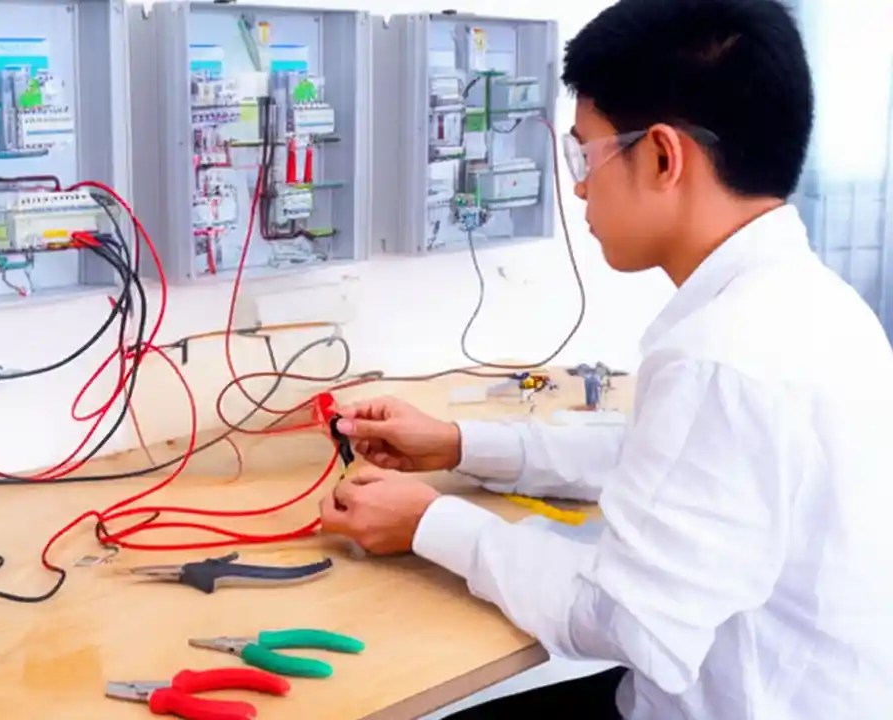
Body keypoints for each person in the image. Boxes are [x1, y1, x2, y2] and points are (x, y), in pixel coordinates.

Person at [319, 0, 893, 718]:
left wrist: (432, 525)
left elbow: (625, 622)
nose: (582, 185)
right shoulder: (817, 307)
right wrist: (460, 444)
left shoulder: (724, 354)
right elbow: (659, 459)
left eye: (585, 153)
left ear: (661, 156)